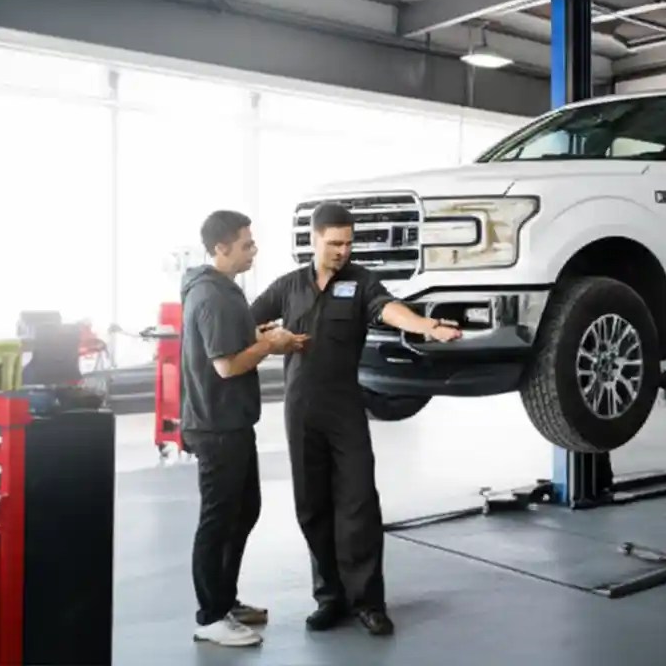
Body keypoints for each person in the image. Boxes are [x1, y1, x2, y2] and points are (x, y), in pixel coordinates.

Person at [250, 202, 461, 637]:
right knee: (312, 505)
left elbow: (388, 308)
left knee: (359, 502)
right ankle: (330, 598)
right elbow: (243, 322)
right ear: (314, 240)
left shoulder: (361, 282)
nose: (343, 251)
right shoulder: (288, 287)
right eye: (334, 243)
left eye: (348, 243)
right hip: (300, 411)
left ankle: (368, 601)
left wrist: (423, 325)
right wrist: (270, 341)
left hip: (345, 408)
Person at [180, 210, 308, 648]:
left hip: (233, 422)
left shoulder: (223, 291)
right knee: (218, 520)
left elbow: (231, 342)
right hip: (217, 426)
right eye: (246, 244)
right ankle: (210, 615)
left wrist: (257, 333)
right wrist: (270, 345)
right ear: (221, 248)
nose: (253, 251)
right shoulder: (212, 296)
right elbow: (228, 365)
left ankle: (225, 598)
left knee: (244, 510)